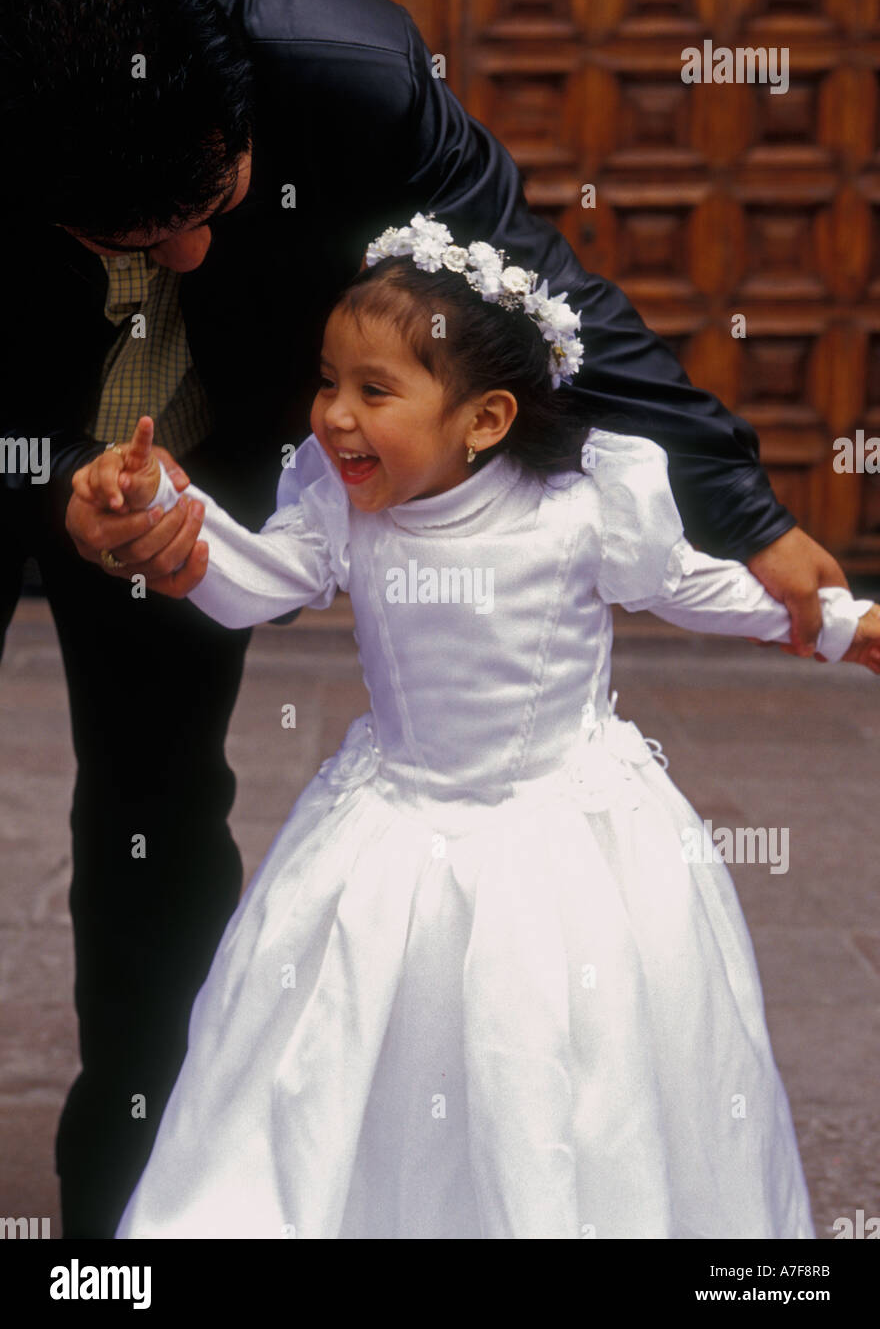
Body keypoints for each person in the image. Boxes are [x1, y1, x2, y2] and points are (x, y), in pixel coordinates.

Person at [0, 0, 851, 1235]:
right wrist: (59, 478)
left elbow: (541, 282)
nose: (184, 255)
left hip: (199, 457)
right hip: (39, 418)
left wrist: (752, 521)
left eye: (212, 207)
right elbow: (271, 565)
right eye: (134, 234)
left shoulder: (347, 64)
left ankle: (125, 1221)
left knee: (155, 809)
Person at [76, 215, 880, 1239]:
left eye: (375, 391)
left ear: (485, 417)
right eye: (328, 382)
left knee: (552, 1057)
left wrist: (838, 626)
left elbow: (695, 586)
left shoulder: (582, 509)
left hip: (567, 836)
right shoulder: (341, 511)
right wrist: (162, 511)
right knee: (344, 1051)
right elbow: (247, 583)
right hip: (392, 829)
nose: (334, 417)